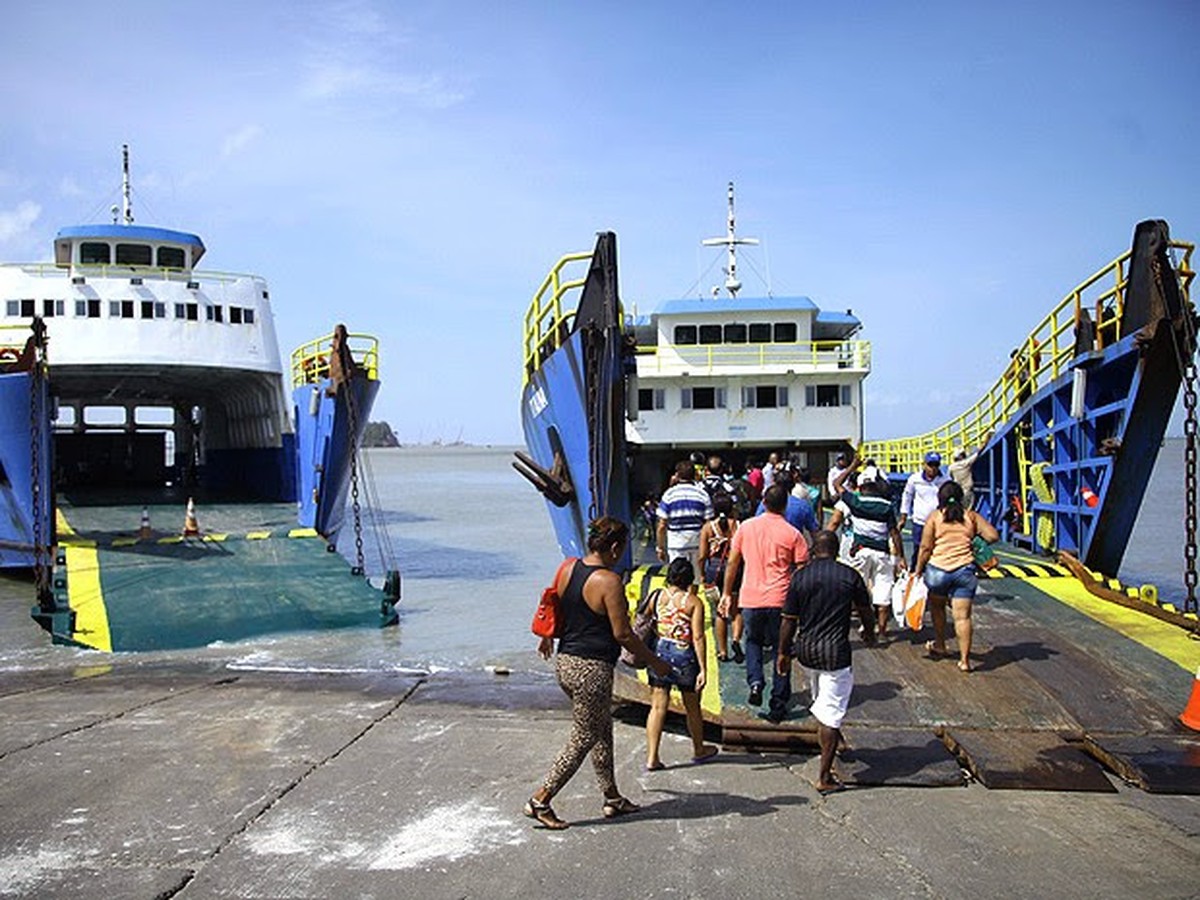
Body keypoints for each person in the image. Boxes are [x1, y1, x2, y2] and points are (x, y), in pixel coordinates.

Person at [525, 517, 670, 830]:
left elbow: (553, 602)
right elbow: (623, 634)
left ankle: (612, 798)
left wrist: (547, 635)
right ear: (615, 547)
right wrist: (654, 661)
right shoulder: (608, 581)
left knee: (602, 729)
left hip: (566, 663)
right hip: (591, 670)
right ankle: (541, 799)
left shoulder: (568, 567)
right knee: (584, 736)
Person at [777, 530, 876, 794]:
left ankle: (835, 741)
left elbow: (788, 619)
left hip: (806, 652)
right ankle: (824, 777)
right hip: (835, 654)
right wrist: (869, 633)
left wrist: (783, 653)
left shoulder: (800, 577)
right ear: (836, 551)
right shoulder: (849, 576)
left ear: (813, 551)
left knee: (822, 701)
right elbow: (866, 611)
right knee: (831, 714)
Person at [720, 484, 809, 723]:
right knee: (782, 650)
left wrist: (727, 593)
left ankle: (756, 683)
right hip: (781, 600)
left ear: (764, 502)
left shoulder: (746, 527)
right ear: (785, 505)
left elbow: (733, 563)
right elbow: (801, 571)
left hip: (751, 598)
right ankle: (778, 704)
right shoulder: (793, 534)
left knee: (753, 643)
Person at [913, 481, 1000, 673]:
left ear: (940, 498)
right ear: (961, 498)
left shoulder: (935, 517)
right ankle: (965, 660)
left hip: (938, 571)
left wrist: (918, 569)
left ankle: (941, 645)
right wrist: (975, 540)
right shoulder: (971, 517)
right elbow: (993, 535)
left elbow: (925, 547)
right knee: (963, 617)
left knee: (937, 608)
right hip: (964, 571)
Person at [645, 558, 720, 770]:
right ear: (688, 578)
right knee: (692, 707)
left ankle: (652, 757)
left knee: (658, 706)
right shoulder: (693, 602)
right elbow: (697, 637)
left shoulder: (656, 596)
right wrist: (703, 669)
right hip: (683, 654)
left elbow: (646, 621)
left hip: (660, 651)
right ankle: (698, 749)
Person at [828, 458, 906, 641]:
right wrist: (900, 556)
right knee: (883, 592)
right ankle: (883, 631)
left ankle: (865, 625)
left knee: (858, 591)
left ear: (861, 485)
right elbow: (894, 533)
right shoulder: (886, 506)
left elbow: (836, 484)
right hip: (882, 554)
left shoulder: (855, 501)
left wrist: (852, 467)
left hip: (860, 552)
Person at [699, 491, 743, 662]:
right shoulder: (739, 526)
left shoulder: (708, 528)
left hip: (714, 571)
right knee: (737, 610)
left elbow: (702, 556)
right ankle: (737, 640)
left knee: (720, 612)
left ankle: (723, 651)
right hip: (736, 570)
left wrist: (702, 574)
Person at [656, 460, 713, 569]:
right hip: (697, 543)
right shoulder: (702, 494)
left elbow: (662, 525)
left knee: (677, 578)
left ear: (677, 475)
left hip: (676, 544)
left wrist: (660, 548)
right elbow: (708, 523)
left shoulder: (669, 495)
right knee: (695, 580)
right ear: (695, 475)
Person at [898, 451, 949, 568]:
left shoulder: (945, 480)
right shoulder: (914, 479)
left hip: (939, 522)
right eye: (930, 464)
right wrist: (903, 517)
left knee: (937, 549)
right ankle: (915, 572)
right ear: (924, 465)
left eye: (936, 465)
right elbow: (907, 497)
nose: (933, 468)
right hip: (920, 522)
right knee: (919, 548)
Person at [757, 464, 818, 544]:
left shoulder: (765, 503)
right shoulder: (803, 506)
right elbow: (813, 532)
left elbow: (757, 523)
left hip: (769, 546)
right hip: (794, 547)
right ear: (793, 486)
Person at [948, 434, 990, 511]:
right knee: (967, 511)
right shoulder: (966, 463)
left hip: (958, 492)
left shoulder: (951, 467)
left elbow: (951, 477)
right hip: (967, 491)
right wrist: (986, 441)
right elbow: (978, 452)